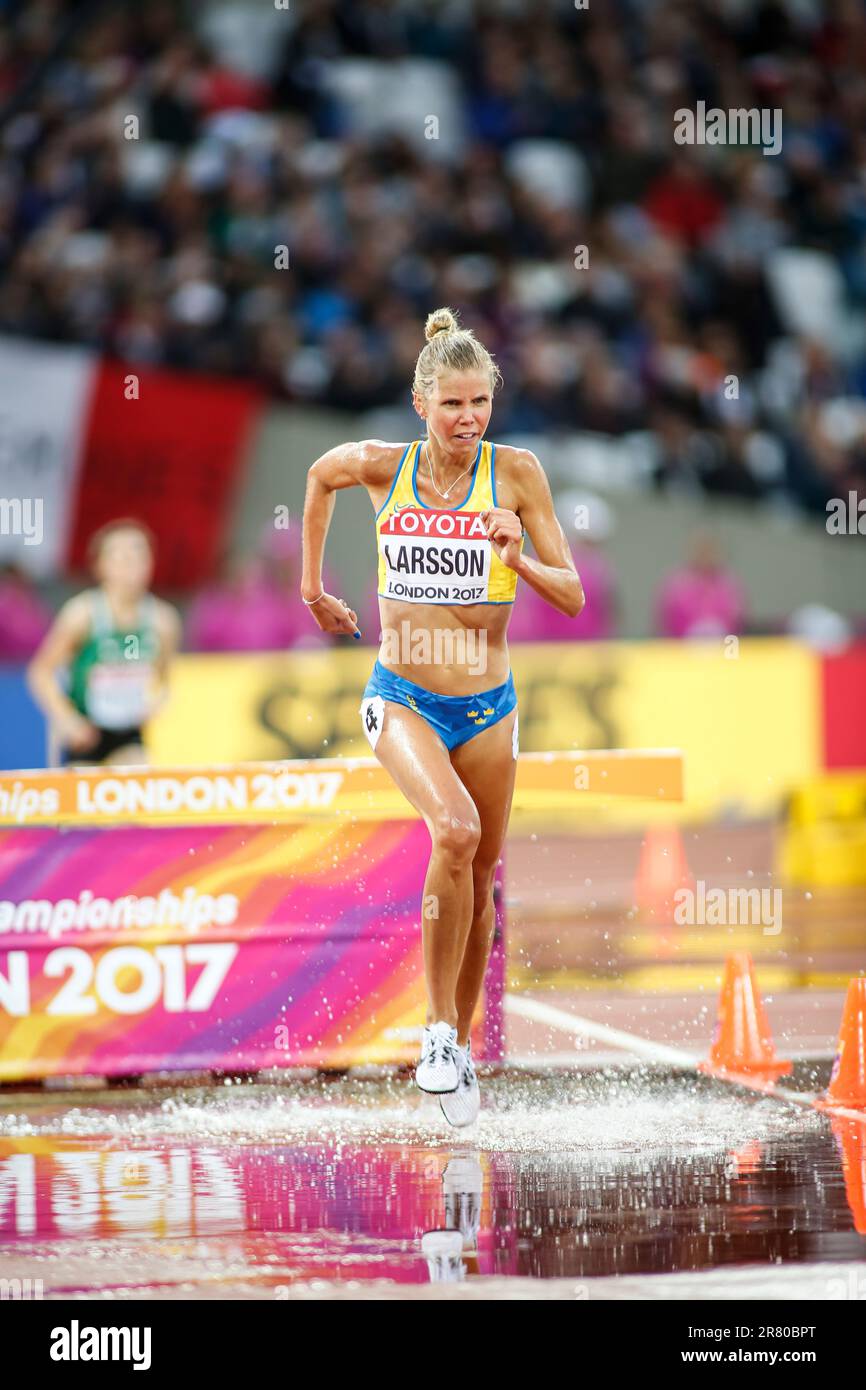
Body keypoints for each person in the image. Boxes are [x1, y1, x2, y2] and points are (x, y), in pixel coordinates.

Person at [301, 306, 584, 1126]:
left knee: (483, 871)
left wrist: (517, 555)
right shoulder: (381, 467)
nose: (467, 420)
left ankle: (458, 1048)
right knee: (453, 835)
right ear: (420, 402)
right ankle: (433, 1035)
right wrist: (314, 591)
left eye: (480, 404)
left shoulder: (518, 473)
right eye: (452, 404)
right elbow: (318, 476)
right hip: (401, 698)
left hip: (490, 706)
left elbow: (571, 597)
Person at [26, 519, 181, 765]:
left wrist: (157, 701)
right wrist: (66, 719)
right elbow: (40, 672)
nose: (131, 562)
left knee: (137, 790)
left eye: (139, 553)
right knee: (79, 795)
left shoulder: (163, 620)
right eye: (120, 556)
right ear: (100, 566)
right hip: (84, 732)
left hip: (128, 732)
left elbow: (165, 678)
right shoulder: (82, 614)